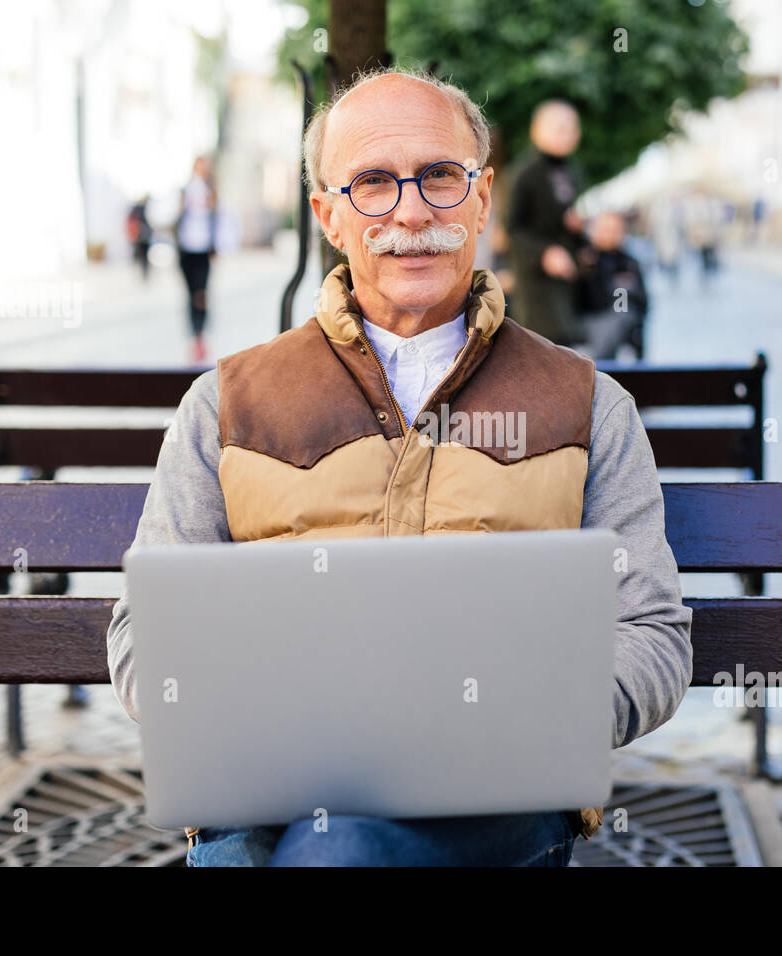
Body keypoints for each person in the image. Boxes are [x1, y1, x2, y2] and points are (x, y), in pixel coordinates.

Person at [105, 68, 692, 867]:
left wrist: (534, 714)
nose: (412, 209)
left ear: (483, 199)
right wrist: (259, 716)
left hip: (497, 799)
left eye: (440, 178)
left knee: (340, 849)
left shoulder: (590, 407)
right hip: (261, 802)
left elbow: (651, 633)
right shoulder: (225, 405)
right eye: (374, 183)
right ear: (328, 215)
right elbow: (144, 637)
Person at [503, 100, 586, 346]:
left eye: (573, 128)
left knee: (570, 348)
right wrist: (544, 253)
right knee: (542, 345)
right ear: (537, 130)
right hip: (535, 280)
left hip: (568, 276)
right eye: (560, 128)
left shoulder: (574, 171)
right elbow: (513, 228)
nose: (569, 134)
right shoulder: (523, 173)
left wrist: (578, 229)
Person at [575, 211, 649, 360]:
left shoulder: (629, 263)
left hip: (618, 322)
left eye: (616, 230)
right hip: (587, 321)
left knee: (620, 313)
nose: (611, 235)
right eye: (606, 230)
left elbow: (641, 302)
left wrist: (620, 292)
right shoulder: (585, 259)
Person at [176, 157, 218, 362]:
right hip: (186, 249)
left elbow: (218, 220)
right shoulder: (185, 191)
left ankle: (201, 334)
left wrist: (215, 246)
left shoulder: (211, 192)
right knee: (190, 293)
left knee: (201, 293)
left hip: (202, 250)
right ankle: (193, 334)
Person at [126, 195, 153, 282]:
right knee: (141, 256)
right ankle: (143, 273)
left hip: (141, 237)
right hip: (141, 237)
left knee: (141, 256)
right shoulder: (141, 209)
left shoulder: (137, 209)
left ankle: (143, 273)